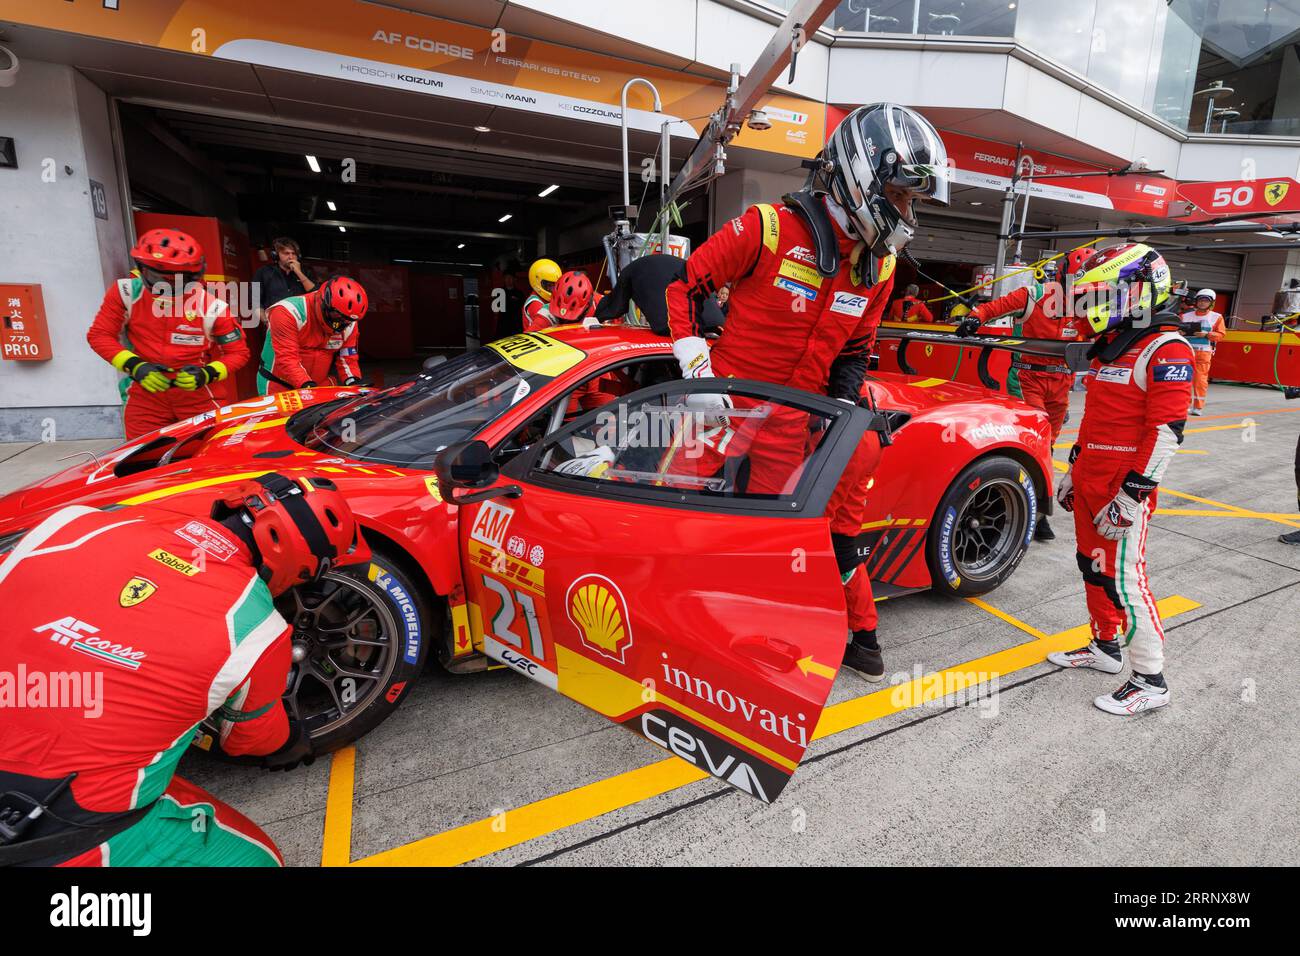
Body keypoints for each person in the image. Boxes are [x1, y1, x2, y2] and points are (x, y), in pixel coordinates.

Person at [665, 102, 950, 681]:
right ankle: (667, 624)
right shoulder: (767, 227)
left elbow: (855, 351)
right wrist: (696, 370)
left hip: (792, 420)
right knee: (677, 515)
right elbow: (685, 286)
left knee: (771, 536)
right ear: (861, 176)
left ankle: (752, 635)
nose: (906, 211)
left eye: (911, 200)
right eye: (900, 195)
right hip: (721, 406)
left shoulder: (880, 268)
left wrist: (842, 411)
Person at [0, 473, 368, 866]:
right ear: (297, 564)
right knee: (260, 859)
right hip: (53, 823)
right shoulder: (257, 627)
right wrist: (292, 739)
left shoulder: (71, 523)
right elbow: (249, 740)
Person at [1046, 243, 1192, 715]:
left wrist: (1132, 496)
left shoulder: (1167, 348)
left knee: (1125, 580)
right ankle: (1105, 647)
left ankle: (1151, 679)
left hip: (1123, 486)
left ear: (1142, 290)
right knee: (1091, 567)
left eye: (1105, 294)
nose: (1096, 305)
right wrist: (1073, 469)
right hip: (1091, 478)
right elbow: (1097, 420)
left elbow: (1166, 432)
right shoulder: (1115, 345)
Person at [962, 248, 1098, 541]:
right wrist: (974, 317)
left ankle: (1030, 510)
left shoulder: (1089, 305)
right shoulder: (1033, 295)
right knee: (1034, 444)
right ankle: (1030, 512)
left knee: (1048, 445)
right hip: (1028, 379)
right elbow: (993, 307)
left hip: (1061, 384)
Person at [87, 228, 249, 440]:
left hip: (198, 396)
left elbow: (238, 353)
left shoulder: (213, 307)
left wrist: (207, 373)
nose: (166, 285)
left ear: (195, 275)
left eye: (176, 279)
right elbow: (99, 335)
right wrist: (135, 365)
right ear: (142, 269)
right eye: (156, 276)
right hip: (146, 393)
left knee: (211, 452)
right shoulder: (126, 293)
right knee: (142, 455)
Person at [258, 275, 369, 394]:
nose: (342, 323)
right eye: (337, 316)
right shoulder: (288, 312)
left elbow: (347, 357)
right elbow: (287, 358)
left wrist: (353, 381)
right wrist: (307, 386)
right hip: (279, 385)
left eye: (347, 320)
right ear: (323, 303)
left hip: (318, 385)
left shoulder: (349, 321)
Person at [594, 253, 725, 336]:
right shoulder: (665, 264)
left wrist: (595, 318)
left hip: (675, 327)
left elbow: (616, 306)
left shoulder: (630, 272)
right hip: (715, 323)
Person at [1180, 288, 1225, 416]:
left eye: (1206, 301)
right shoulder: (1184, 316)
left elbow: (1221, 335)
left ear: (1211, 303)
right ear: (1196, 301)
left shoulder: (1216, 317)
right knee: (1184, 380)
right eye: (1200, 300)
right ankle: (1183, 406)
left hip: (1203, 353)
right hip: (1185, 352)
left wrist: (1206, 335)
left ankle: (1197, 407)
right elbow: (1175, 330)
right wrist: (1179, 332)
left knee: (1200, 381)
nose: (1202, 303)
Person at [254, 237, 317, 316]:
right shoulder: (263, 272)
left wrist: (299, 272)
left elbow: (316, 294)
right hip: (274, 320)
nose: (291, 257)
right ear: (276, 255)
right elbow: (254, 300)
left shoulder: (306, 272)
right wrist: (265, 320)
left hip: (301, 320)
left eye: (294, 254)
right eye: (286, 253)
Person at [523, 258, 561, 330]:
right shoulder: (535, 303)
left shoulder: (544, 299)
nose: (553, 289)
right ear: (536, 281)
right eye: (549, 285)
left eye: (555, 285)